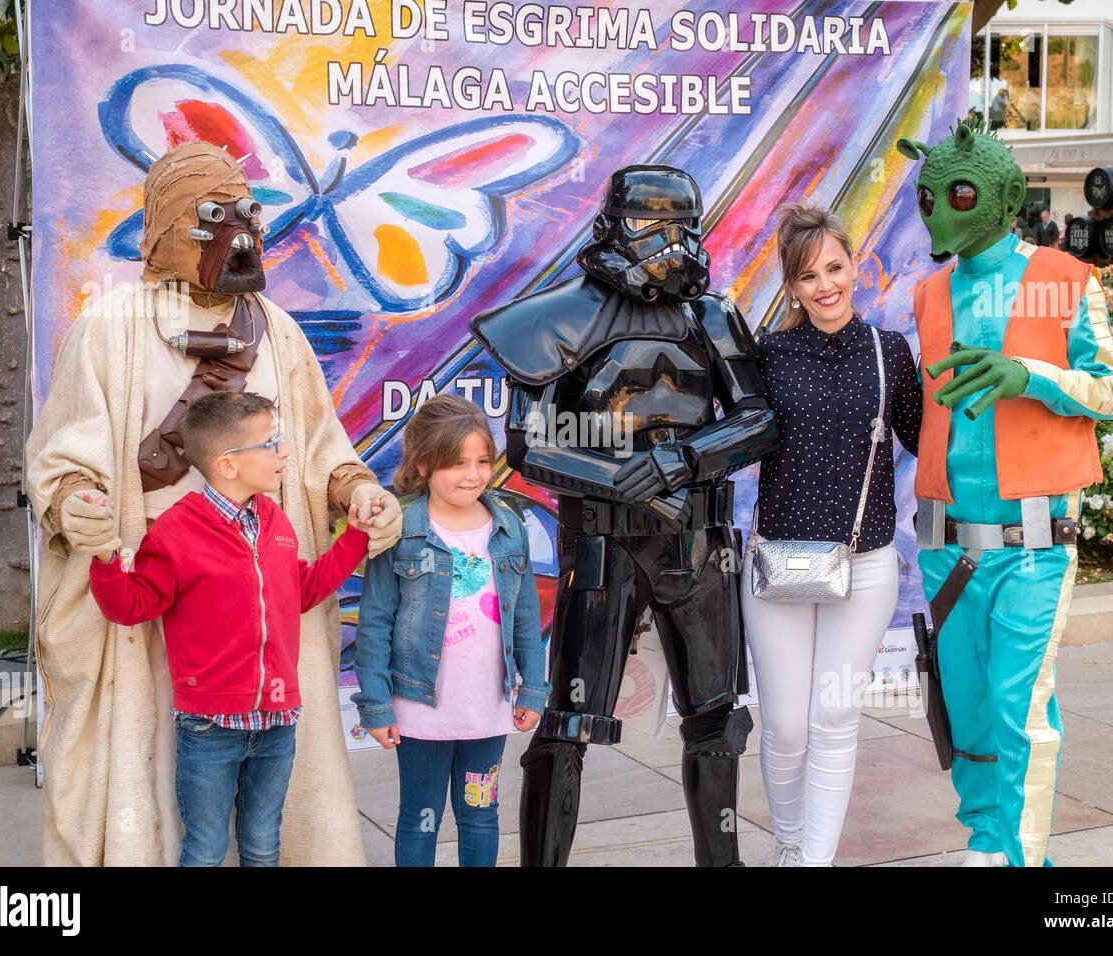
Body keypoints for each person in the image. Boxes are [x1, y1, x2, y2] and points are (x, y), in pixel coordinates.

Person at [25, 142, 402, 866]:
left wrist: (357, 491)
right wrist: (75, 504)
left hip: (252, 616)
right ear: (172, 225)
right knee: (155, 774)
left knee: (265, 810)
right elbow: (64, 451)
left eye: (245, 214)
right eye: (213, 216)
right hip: (150, 587)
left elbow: (322, 448)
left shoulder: (280, 333)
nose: (238, 234)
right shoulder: (108, 328)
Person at [470, 164, 779, 867]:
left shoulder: (711, 317)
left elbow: (759, 420)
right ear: (614, 225)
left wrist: (682, 462)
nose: (672, 242)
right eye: (653, 225)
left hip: (699, 542)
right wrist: (624, 480)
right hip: (605, 543)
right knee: (569, 721)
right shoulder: (560, 316)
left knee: (718, 720)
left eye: (685, 227)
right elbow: (528, 445)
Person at [897, 118, 1113, 866]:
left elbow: (1112, 392)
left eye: (956, 194)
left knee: (1018, 708)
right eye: (928, 196)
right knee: (966, 709)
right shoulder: (929, 294)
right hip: (946, 546)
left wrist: (1028, 378)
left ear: (997, 196)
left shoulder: (1066, 279)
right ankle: (985, 844)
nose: (937, 211)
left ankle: (1019, 859)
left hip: (1034, 546)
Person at [86, 391, 372, 865]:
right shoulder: (176, 532)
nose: (283, 451)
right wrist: (105, 558)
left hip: (278, 720)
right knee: (207, 848)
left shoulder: (275, 520)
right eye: (271, 442)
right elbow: (132, 605)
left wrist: (356, 537)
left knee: (263, 844)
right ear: (227, 464)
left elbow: (301, 590)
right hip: (209, 727)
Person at [740, 204, 922, 867]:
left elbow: (924, 440)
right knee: (786, 725)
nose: (825, 285)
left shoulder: (889, 352)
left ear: (855, 268)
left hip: (865, 562)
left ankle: (813, 861)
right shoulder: (767, 354)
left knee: (835, 717)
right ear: (791, 286)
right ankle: (790, 845)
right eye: (808, 275)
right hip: (777, 562)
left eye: (835, 268)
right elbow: (734, 445)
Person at [352, 395, 550, 866]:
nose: (472, 474)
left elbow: (526, 617)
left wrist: (534, 690)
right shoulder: (400, 531)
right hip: (420, 710)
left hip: (488, 709)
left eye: (482, 461)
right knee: (419, 815)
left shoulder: (508, 528)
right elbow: (375, 622)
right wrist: (376, 705)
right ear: (423, 465)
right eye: (456, 463)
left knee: (481, 815)